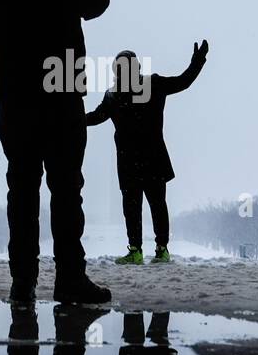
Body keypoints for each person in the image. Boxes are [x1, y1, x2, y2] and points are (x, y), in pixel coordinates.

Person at [0, 0, 111, 304]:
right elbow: (100, 2)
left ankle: (23, 281)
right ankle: (70, 277)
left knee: (21, 192)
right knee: (67, 193)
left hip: (16, 103)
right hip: (62, 98)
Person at [85, 41, 208, 264]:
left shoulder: (113, 95)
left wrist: (70, 119)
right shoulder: (150, 85)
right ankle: (160, 249)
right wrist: (197, 62)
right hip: (152, 158)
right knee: (156, 204)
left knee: (135, 207)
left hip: (130, 161)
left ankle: (137, 250)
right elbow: (183, 82)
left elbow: (95, 117)